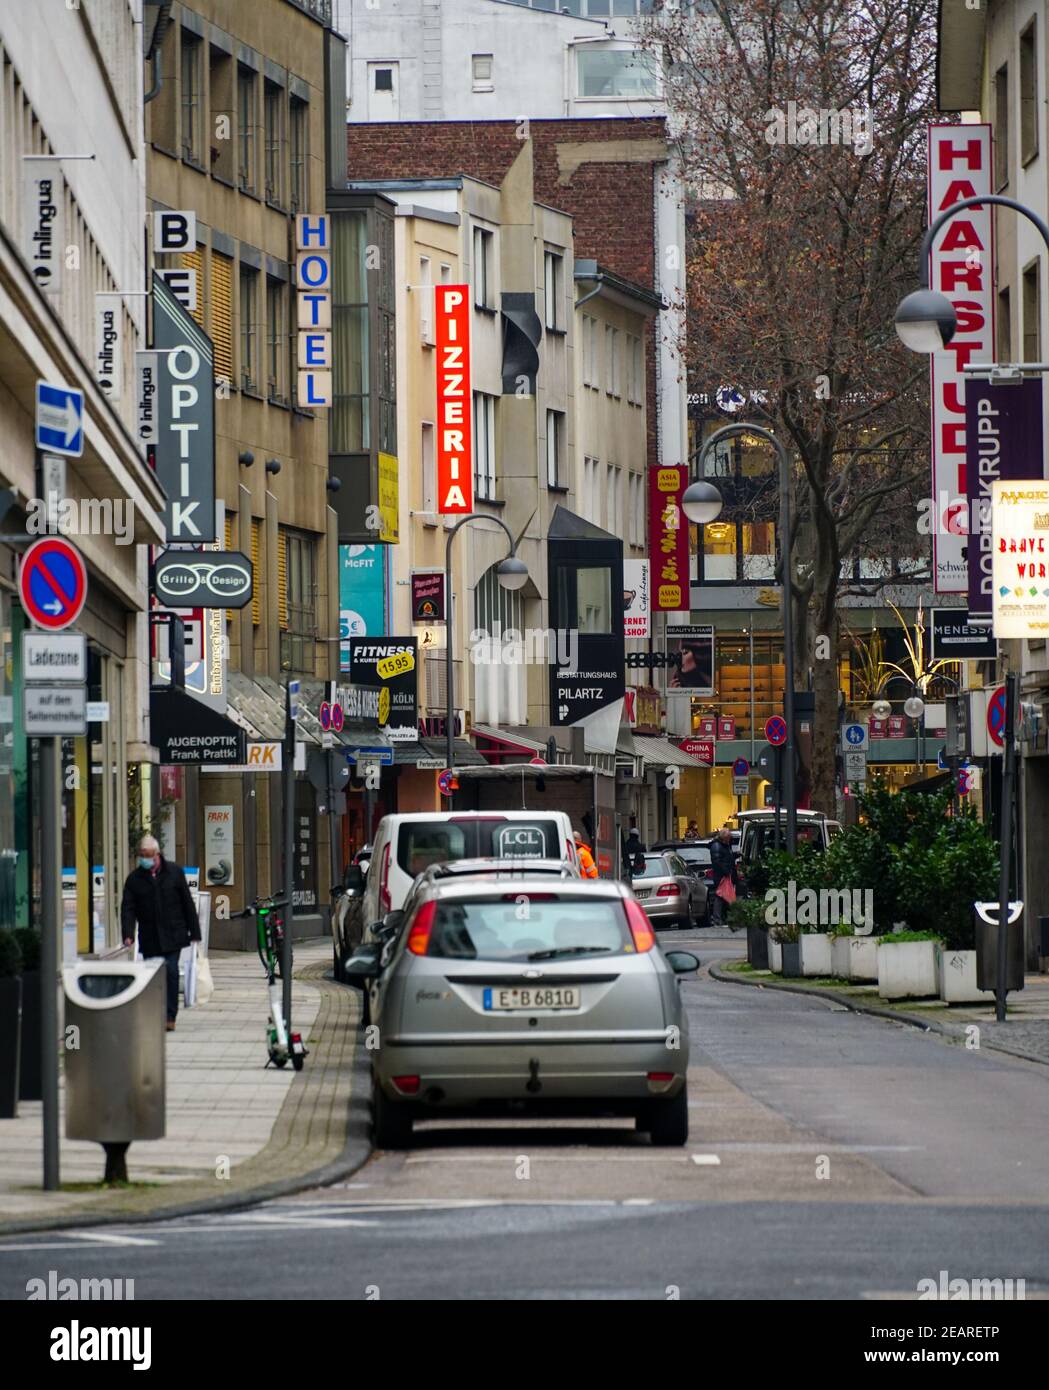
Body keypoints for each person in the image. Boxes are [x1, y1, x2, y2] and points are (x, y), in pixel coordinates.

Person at [121, 835, 201, 1031]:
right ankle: (155, 1013)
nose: (145, 859)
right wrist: (128, 933)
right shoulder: (134, 879)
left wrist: (195, 932)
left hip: (174, 934)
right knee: (154, 976)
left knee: (171, 971)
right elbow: (128, 908)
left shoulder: (174, 872)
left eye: (148, 855)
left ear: (157, 855)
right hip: (150, 936)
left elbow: (187, 903)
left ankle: (170, 1016)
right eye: (142, 856)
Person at [709, 825, 739, 926]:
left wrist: (735, 855)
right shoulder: (718, 846)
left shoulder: (723, 845)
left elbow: (725, 857)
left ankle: (722, 918)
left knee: (724, 895)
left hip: (725, 874)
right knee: (721, 895)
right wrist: (725, 871)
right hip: (722, 875)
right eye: (728, 838)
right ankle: (718, 918)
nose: (730, 839)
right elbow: (717, 861)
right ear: (724, 838)